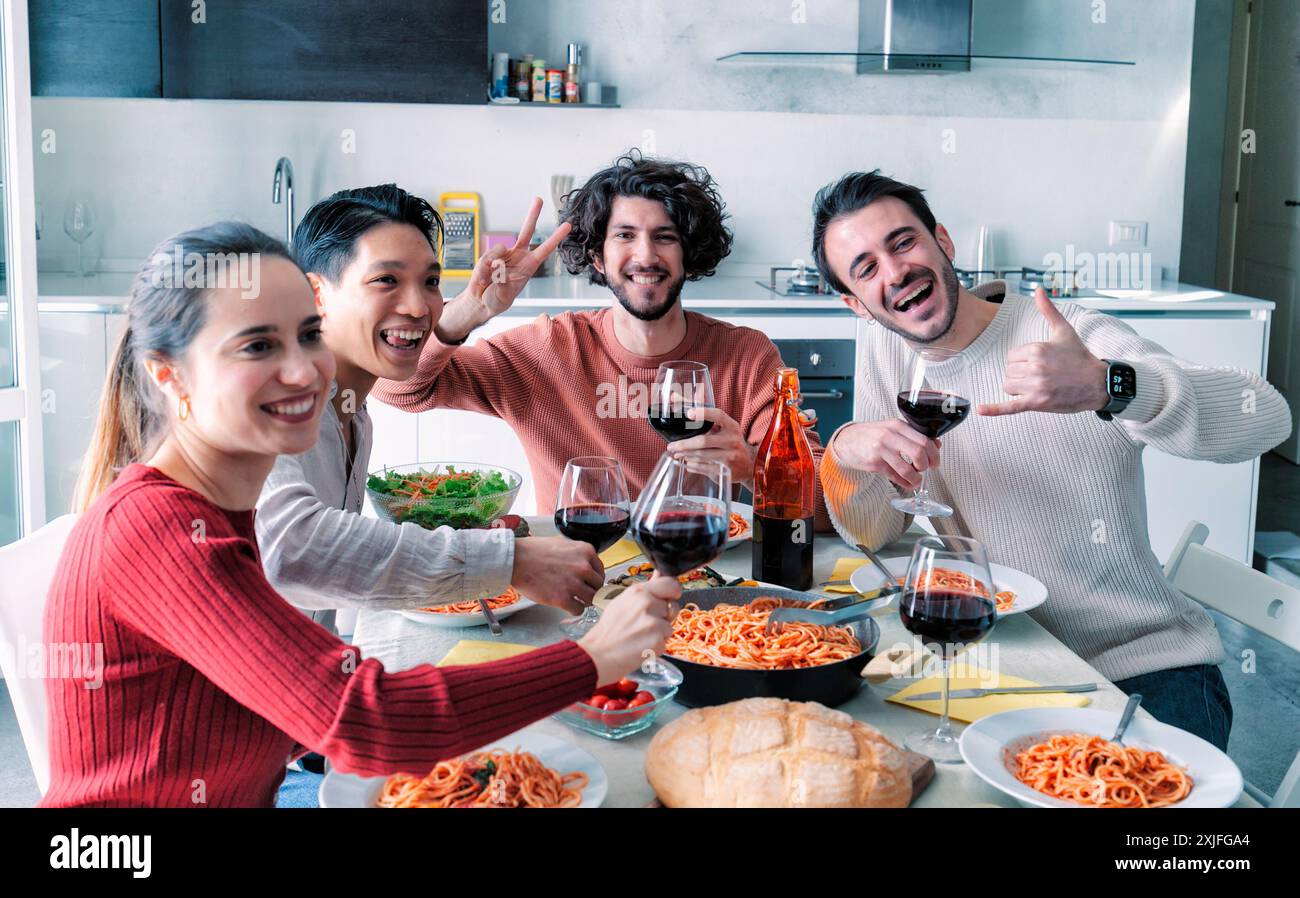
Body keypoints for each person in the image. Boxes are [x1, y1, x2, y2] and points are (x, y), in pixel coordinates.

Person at [45, 222, 679, 807]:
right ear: (170, 377)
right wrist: (593, 658)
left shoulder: (218, 507)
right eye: (258, 345)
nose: (303, 371)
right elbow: (366, 723)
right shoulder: (159, 532)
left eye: (309, 334)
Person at [811, 170, 1291, 750]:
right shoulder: (889, 348)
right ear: (854, 304)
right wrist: (846, 453)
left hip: (1140, 670)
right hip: (1004, 660)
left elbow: (1266, 416)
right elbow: (875, 529)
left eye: (903, 242)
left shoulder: (1069, 338)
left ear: (943, 241)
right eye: (865, 268)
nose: (894, 272)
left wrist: (1111, 387)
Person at [372, 152, 833, 528]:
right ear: (597, 256)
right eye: (625, 236)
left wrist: (753, 465)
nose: (646, 255)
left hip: (699, 575)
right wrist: (467, 313)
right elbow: (400, 390)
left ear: (689, 255)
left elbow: (828, 506)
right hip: (572, 573)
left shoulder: (746, 356)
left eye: (665, 237)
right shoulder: (545, 349)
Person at [255, 185, 602, 630]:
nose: (419, 306)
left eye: (431, 282)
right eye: (386, 280)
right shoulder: (274, 399)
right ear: (316, 295)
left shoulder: (352, 413)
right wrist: (508, 561)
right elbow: (292, 551)